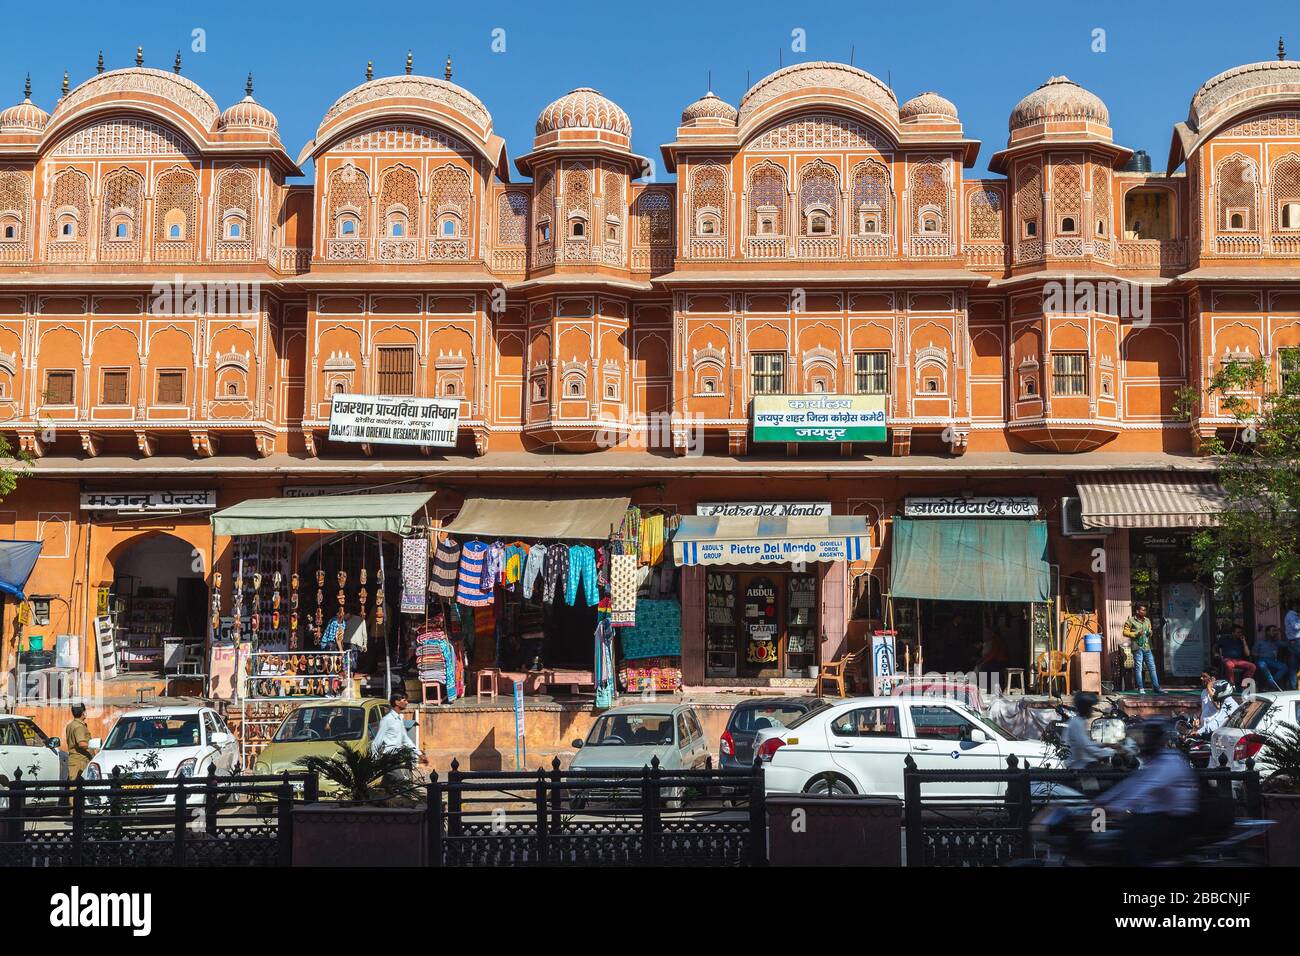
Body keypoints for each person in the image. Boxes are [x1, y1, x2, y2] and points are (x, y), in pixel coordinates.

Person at [1096, 719, 1198, 864]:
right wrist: (1102, 801)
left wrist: (1111, 808)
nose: (1146, 741)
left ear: (1159, 740)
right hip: (1154, 817)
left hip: (1173, 821)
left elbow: (1142, 789)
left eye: (1151, 737)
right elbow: (1132, 783)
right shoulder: (1155, 760)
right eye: (1146, 736)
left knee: (1132, 840)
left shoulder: (1169, 762)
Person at [371, 692, 427, 791]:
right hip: (388, 758)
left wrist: (419, 754)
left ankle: (376, 799)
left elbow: (405, 740)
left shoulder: (399, 719)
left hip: (397, 757)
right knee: (401, 781)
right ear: (397, 702)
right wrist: (374, 761)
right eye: (404, 700)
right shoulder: (387, 720)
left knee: (386, 785)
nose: (407, 702)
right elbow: (377, 741)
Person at [1063, 691, 1115, 770]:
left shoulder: (1078, 721)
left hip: (1083, 762)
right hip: (1079, 765)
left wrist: (1104, 744)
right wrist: (1112, 752)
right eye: (1090, 707)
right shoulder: (1076, 723)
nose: (1092, 710)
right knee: (1110, 771)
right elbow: (1087, 746)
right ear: (1085, 707)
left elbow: (1087, 743)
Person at [1123, 604, 1163, 694]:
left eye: (1145, 610)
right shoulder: (1130, 621)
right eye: (1143, 610)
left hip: (1147, 646)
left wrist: (1150, 632)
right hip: (1137, 647)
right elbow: (1125, 632)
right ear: (1137, 611)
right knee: (1138, 667)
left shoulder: (1147, 620)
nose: (1144, 612)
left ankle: (1156, 687)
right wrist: (1136, 633)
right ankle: (1141, 688)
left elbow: (1149, 630)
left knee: (1152, 667)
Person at [1254, 625, 1294, 691]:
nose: (1275, 632)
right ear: (1267, 632)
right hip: (1262, 660)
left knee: (1285, 667)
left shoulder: (1277, 642)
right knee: (1263, 667)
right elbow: (1253, 653)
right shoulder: (1260, 642)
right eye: (1273, 631)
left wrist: (1282, 632)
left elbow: (1288, 644)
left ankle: (1270, 684)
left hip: (1272, 661)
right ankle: (1272, 685)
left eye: (1276, 631)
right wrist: (1261, 655)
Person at [64, 703, 94, 779]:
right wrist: (94, 745)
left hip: (74, 760)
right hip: (80, 762)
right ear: (83, 712)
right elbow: (81, 743)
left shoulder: (70, 725)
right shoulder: (79, 727)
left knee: (74, 785)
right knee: (77, 787)